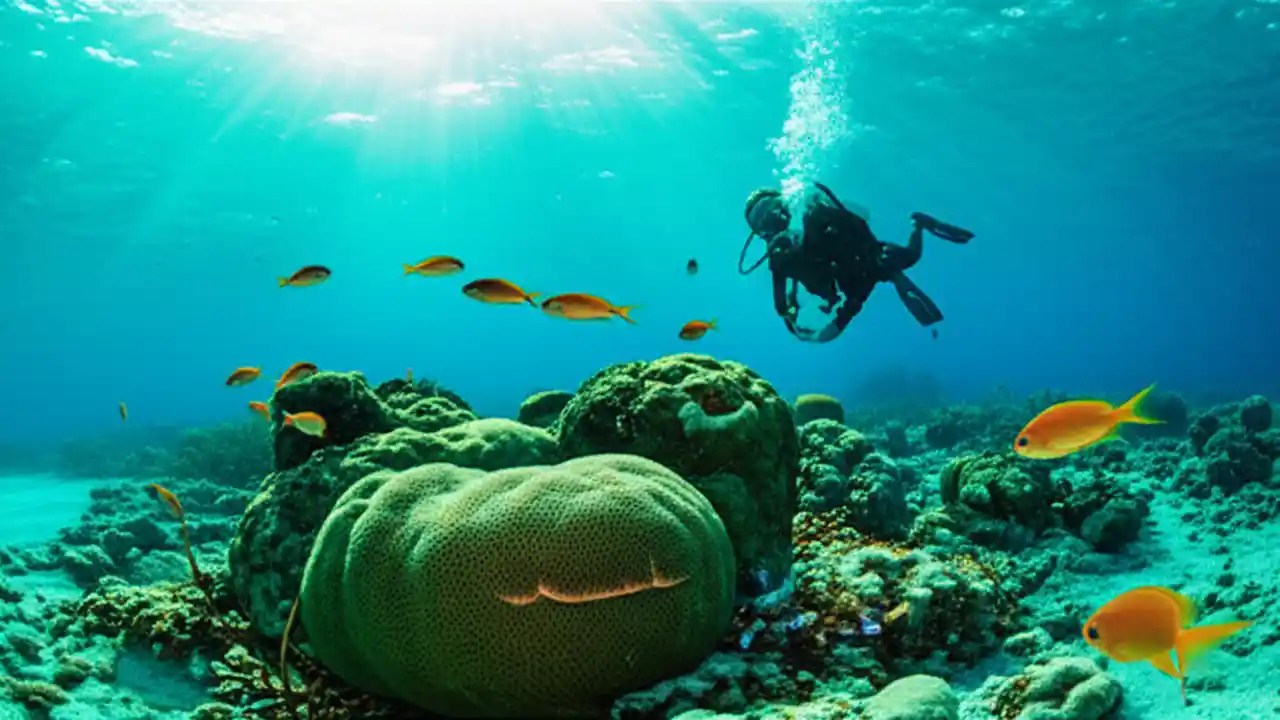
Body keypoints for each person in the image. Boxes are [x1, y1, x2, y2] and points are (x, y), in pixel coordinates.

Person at [739, 182, 974, 342]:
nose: (769, 221)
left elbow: (859, 224)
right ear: (757, 232)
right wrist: (802, 326)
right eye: (759, 220)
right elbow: (782, 307)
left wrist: (838, 323)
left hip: (871, 259)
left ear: (785, 205)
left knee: (910, 257)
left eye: (769, 210)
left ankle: (919, 223)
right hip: (846, 281)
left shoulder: (816, 216)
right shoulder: (780, 257)